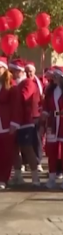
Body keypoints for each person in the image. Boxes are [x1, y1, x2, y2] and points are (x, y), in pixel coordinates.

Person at [10, 60, 43, 186]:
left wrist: (11, 91)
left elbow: (24, 97)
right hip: (15, 121)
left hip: (26, 121)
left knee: (27, 149)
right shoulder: (16, 84)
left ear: (20, 71)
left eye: (14, 71)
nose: (12, 73)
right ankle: (18, 176)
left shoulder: (28, 82)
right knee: (15, 149)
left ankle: (35, 177)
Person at [0, 58, 13, 189]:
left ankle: (4, 179)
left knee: (5, 154)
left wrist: (15, 122)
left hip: (6, 124)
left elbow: (15, 106)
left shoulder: (10, 86)